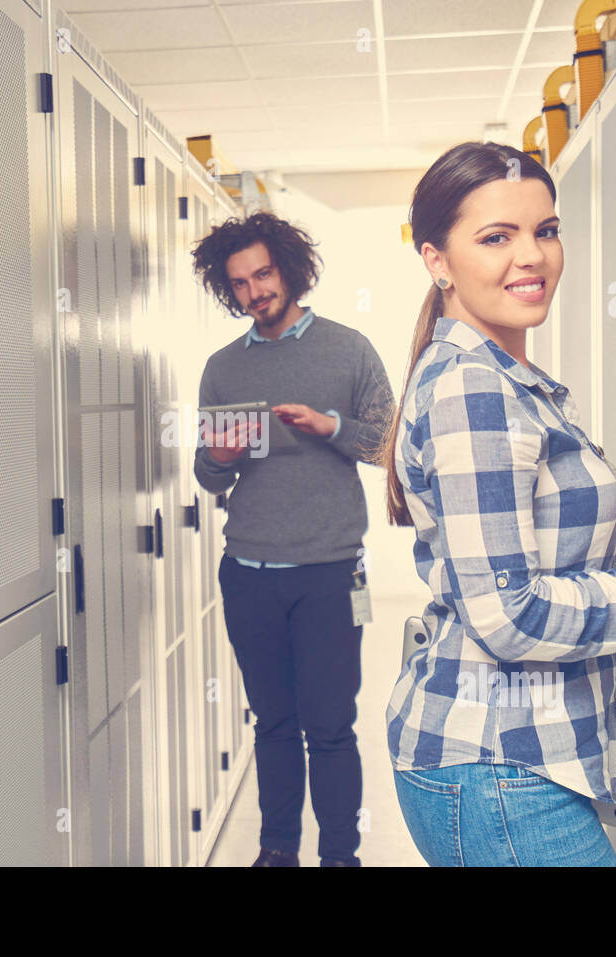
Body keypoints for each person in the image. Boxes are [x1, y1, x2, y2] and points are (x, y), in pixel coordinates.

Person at [377, 141, 616, 866]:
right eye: (496, 237)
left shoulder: (508, 377)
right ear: (437, 260)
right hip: (497, 768)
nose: (531, 256)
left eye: (545, 230)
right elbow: (509, 615)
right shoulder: (474, 390)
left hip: (514, 762)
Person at [190, 211, 395, 867]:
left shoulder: (349, 348)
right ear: (230, 291)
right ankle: (277, 848)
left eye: (264, 273)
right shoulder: (222, 368)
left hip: (333, 575)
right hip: (248, 573)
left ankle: (341, 854)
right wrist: (218, 457)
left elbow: (389, 445)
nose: (255, 291)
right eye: (241, 282)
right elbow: (207, 476)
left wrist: (327, 424)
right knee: (272, 722)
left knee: (330, 727)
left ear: (289, 268)